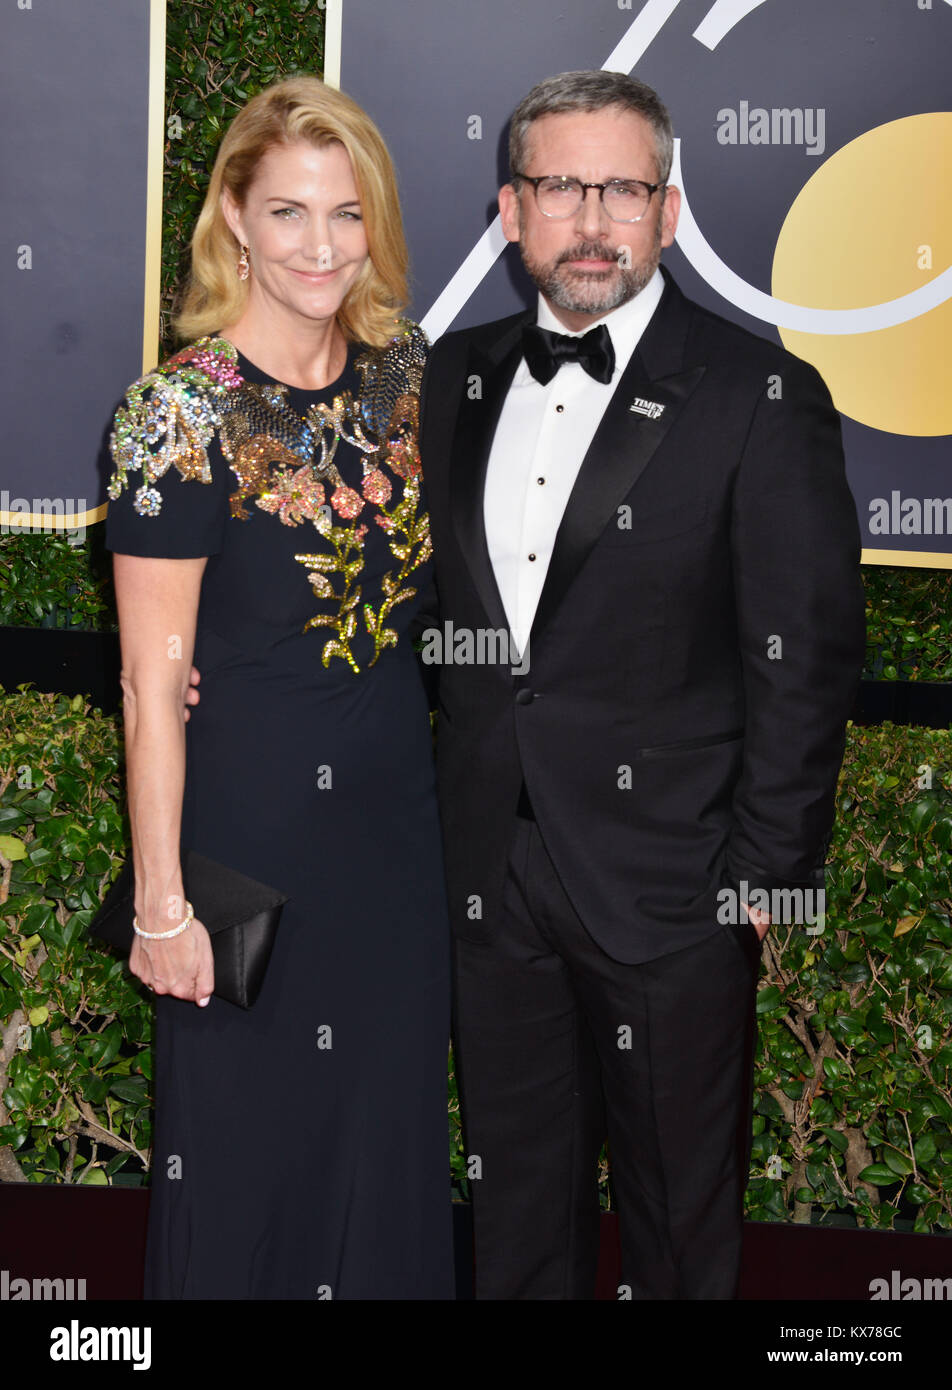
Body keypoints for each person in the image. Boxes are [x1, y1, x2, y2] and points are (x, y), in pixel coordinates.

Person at [416, 70, 867, 1299]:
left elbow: (808, 650)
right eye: (561, 186)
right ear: (510, 211)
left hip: (674, 888)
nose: (593, 219)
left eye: (623, 187)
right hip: (489, 883)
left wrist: (765, 874)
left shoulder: (758, 393)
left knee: (680, 1226)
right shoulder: (447, 381)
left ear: (668, 211)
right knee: (517, 1215)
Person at [104, 75, 453, 1299]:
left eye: (346, 214)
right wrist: (160, 905)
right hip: (246, 846)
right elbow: (153, 691)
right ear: (235, 222)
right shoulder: (177, 416)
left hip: (397, 839)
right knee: (248, 1161)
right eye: (290, 212)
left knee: (387, 1144)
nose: (320, 245)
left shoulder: (409, 378)